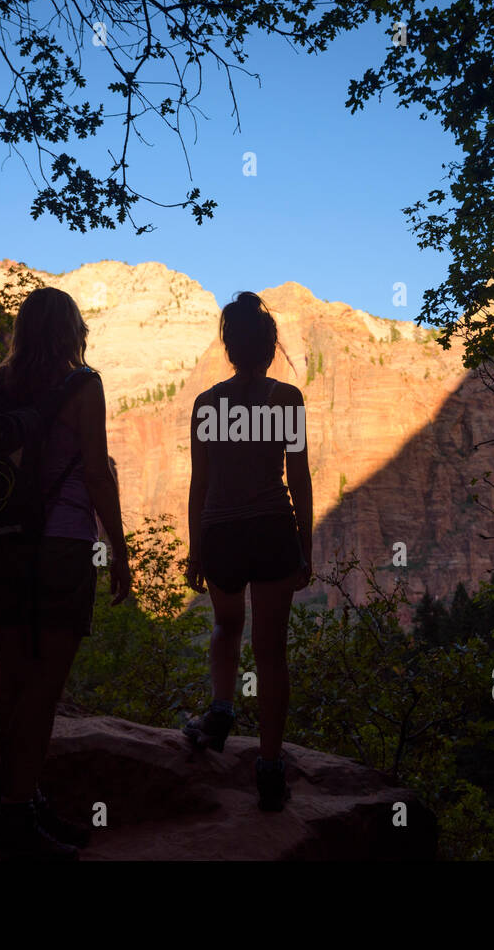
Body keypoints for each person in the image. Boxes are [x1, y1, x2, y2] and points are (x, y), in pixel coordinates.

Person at [0, 287, 132, 859]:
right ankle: (17, 811)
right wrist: (121, 549)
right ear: (73, 332)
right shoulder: (85, 386)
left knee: (14, 680)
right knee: (44, 687)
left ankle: (23, 799)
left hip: (2, 548)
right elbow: (96, 475)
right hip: (62, 550)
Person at [183, 291, 313, 811]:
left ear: (229, 347)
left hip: (221, 532)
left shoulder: (207, 404)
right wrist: (306, 542)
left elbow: (200, 482)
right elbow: (298, 475)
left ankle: (219, 710)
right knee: (272, 652)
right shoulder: (287, 400)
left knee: (226, 625)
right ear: (270, 347)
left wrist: (196, 548)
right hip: (272, 528)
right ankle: (269, 765)